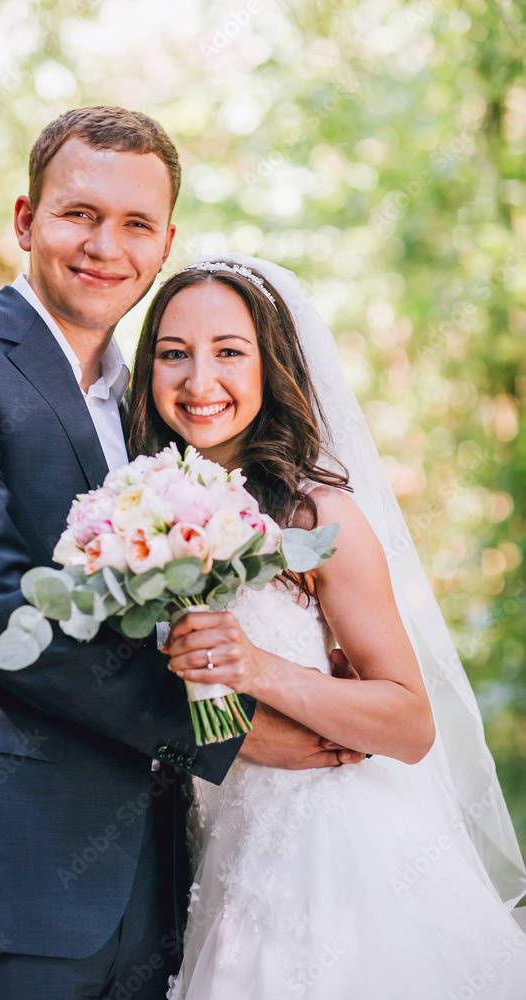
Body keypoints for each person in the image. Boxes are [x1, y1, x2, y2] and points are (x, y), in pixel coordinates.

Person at [0, 109, 365, 1000]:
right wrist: (228, 733)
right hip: (2, 869)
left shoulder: (153, 404)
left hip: (158, 876)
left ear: (166, 241)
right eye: (78, 214)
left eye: (136, 224)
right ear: (26, 220)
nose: (106, 246)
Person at [128, 254, 526, 999]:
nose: (198, 380)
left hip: (333, 854)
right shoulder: (131, 516)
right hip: (217, 848)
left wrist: (257, 670)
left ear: (271, 364)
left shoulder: (318, 516)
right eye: (173, 353)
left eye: (229, 352)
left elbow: (409, 722)